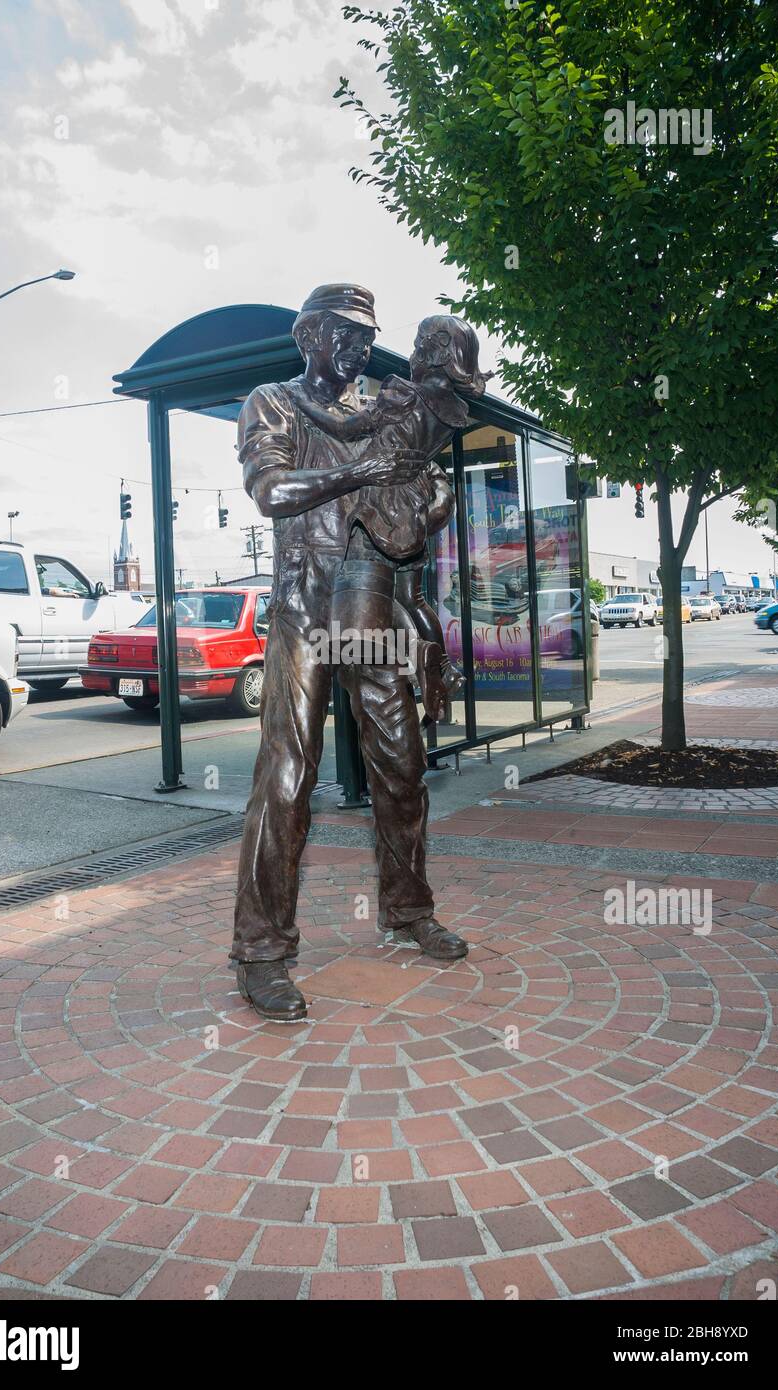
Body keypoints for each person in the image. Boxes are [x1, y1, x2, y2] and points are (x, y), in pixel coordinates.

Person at [231, 284, 469, 1023]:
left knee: (401, 762)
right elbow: (272, 493)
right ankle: (261, 949)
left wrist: (431, 498)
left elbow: (409, 510)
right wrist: (357, 473)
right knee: (289, 769)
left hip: (370, 605)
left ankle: (408, 907)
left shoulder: (382, 413)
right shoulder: (271, 401)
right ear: (308, 336)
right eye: (343, 333)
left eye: (366, 337)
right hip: (305, 609)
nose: (358, 348)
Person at [294, 315, 490, 720]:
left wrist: (303, 404)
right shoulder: (454, 409)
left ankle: (418, 655)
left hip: (376, 509)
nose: (411, 352)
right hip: (412, 512)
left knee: (355, 631)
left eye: (418, 344)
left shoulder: (400, 393)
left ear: (430, 352)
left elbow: (346, 429)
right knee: (412, 598)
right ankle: (444, 668)